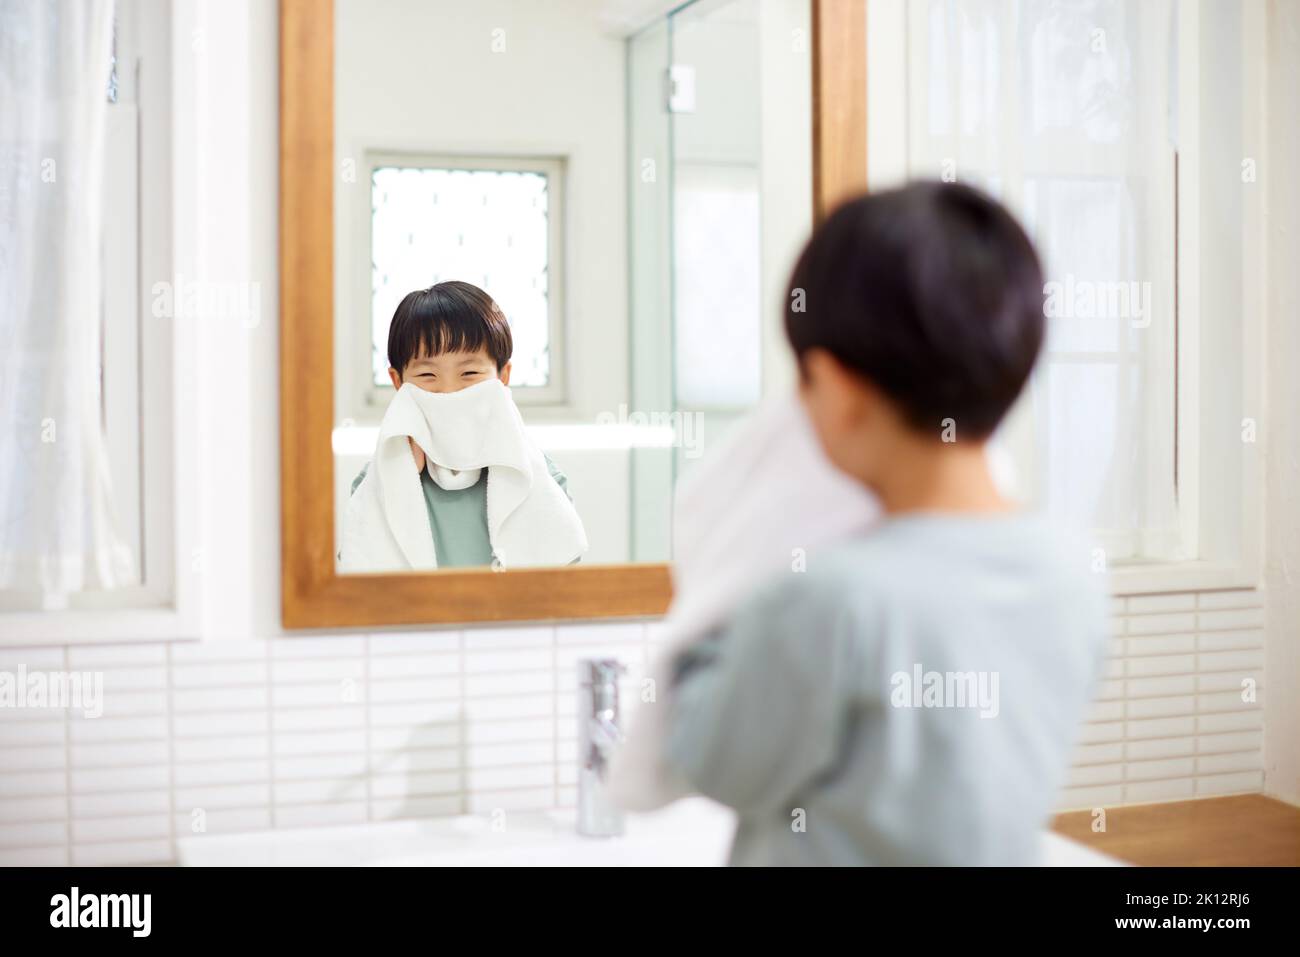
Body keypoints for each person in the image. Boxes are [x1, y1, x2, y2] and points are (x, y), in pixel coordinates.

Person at [661, 182, 1108, 865]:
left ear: (836, 390)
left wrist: (709, 606)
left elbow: (716, 762)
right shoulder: (1073, 571)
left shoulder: (828, 597)